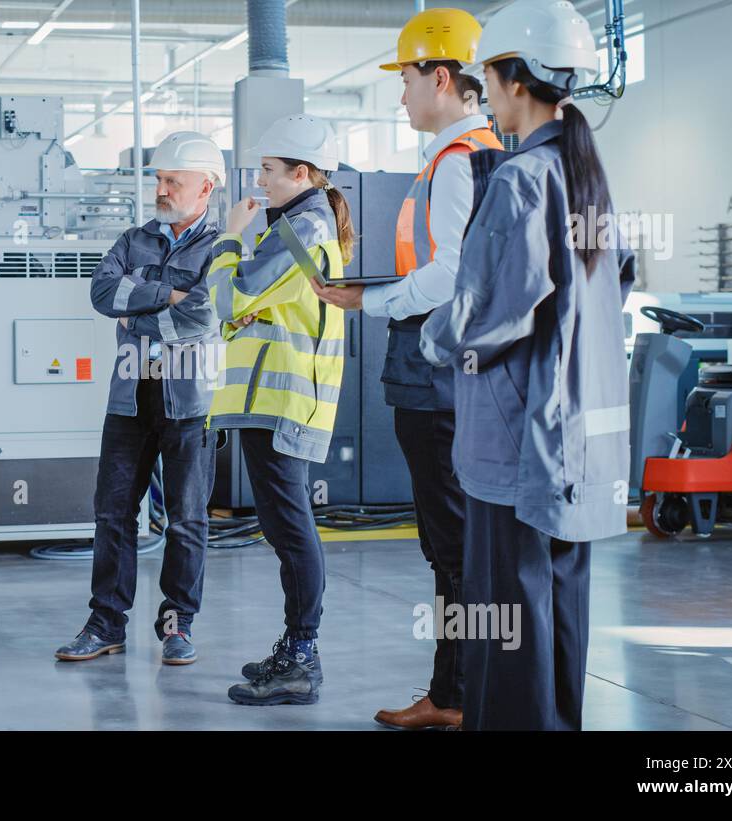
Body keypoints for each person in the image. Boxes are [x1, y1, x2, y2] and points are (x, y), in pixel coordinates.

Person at [419, 0, 634, 730]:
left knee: (506, 624)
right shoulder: (589, 180)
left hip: (515, 446)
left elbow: (487, 316)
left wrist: (430, 339)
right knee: (557, 611)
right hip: (576, 443)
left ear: (513, 80)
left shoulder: (519, 181)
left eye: (488, 76)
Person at [310, 7, 500, 731]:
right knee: (451, 541)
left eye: (408, 79)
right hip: (443, 370)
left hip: (438, 372)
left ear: (443, 78)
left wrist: (369, 299)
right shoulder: (461, 156)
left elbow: (450, 275)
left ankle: (457, 695)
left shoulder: (459, 163)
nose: (401, 95)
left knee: (452, 543)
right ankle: (456, 689)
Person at [55, 131, 225, 666]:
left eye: (174, 180)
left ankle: (177, 626)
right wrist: (172, 295)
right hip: (129, 399)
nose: (162, 189)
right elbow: (103, 294)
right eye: (159, 179)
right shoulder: (133, 239)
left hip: (191, 402)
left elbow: (204, 314)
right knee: (112, 515)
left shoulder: (222, 248)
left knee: (188, 520)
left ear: (206, 187)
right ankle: (105, 623)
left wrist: (144, 310)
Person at [204, 114, 355, 705]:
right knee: (283, 526)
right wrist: (246, 305)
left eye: (268, 170)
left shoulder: (301, 229)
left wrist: (228, 236)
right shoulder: (297, 224)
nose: (260, 180)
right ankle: (295, 648)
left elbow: (232, 293)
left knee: (291, 528)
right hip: (273, 397)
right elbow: (254, 304)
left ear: (301, 172)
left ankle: (301, 655)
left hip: (286, 398)